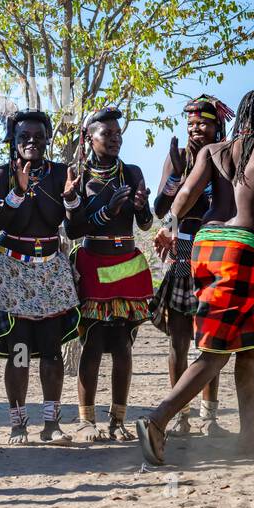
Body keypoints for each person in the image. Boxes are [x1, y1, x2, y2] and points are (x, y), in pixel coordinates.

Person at [138, 89, 254, 462]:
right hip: (245, 251)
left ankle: (247, 436)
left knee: (246, 341)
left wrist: (168, 226)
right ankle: (157, 419)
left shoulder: (214, 152)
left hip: (206, 245)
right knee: (216, 350)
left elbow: (188, 194)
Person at [0, 110, 82, 445]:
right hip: (13, 270)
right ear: (12, 140)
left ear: (47, 138)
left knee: (52, 349)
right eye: (24, 136)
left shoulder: (58, 174)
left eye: (38, 136)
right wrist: (18, 192)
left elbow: (72, 223)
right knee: (20, 349)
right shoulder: (0, 175)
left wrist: (70, 197)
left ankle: (52, 423)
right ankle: (18, 424)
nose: (31, 142)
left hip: (51, 269)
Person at [66, 107, 154, 442]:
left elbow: (145, 224)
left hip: (127, 261)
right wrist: (108, 211)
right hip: (93, 260)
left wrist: (143, 206)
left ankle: (118, 420)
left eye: (118, 133)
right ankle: (86, 420)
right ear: (90, 138)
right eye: (107, 133)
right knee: (92, 342)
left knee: (122, 344)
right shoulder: (78, 176)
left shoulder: (131, 172)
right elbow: (73, 230)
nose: (115, 138)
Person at [151, 95, 232, 438]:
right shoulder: (180, 158)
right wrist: (174, 178)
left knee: (211, 341)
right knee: (179, 340)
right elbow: (159, 209)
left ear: (218, 127)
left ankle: (209, 417)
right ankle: (180, 415)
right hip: (184, 250)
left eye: (205, 124)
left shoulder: (227, 158)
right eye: (192, 125)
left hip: (216, 250)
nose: (198, 130)